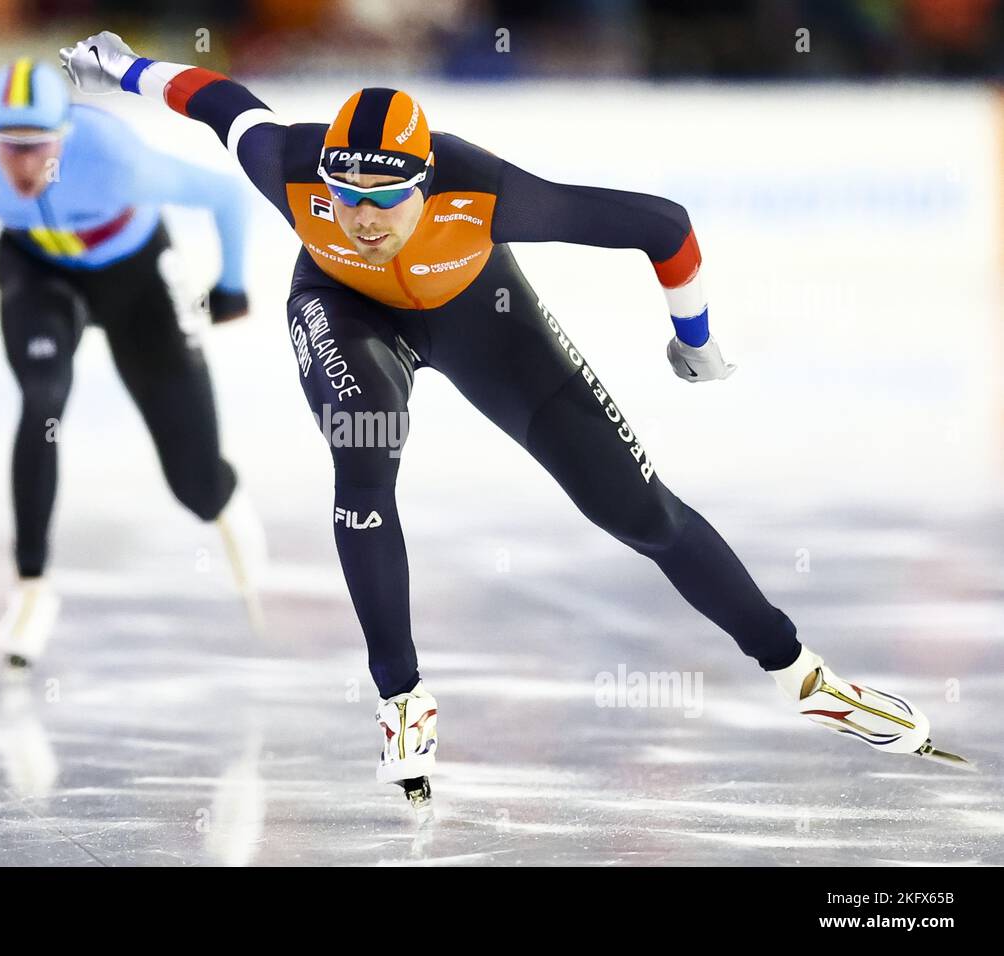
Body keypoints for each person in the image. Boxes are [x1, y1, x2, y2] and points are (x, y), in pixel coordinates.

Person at [59, 34, 967, 810]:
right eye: (347, 198)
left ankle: (800, 673)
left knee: (637, 511)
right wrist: (127, 65)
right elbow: (220, 100)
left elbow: (665, 224)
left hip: (483, 316)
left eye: (387, 199)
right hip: (347, 315)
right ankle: (401, 697)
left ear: (427, 183)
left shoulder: (490, 192)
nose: (365, 219)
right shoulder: (290, 166)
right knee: (365, 451)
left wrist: (695, 339)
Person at [0, 57, 267, 667]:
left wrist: (232, 285)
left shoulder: (116, 160)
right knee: (42, 395)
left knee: (192, 484)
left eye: (38, 145)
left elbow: (225, 194)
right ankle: (31, 590)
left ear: (64, 137)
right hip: (39, 272)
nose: (24, 163)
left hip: (135, 279)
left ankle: (222, 500)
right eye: (8, 146)